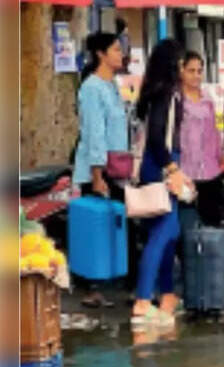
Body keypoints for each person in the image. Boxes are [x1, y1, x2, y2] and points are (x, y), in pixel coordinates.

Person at [132, 39, 191, 326]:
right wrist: (172, 168)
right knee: (161, 233)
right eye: (181, 63)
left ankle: (167, 295)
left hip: (161, 163)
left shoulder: (156, 93)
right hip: (160, 165)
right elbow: (157, 138)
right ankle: (143, 300)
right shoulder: (166, 95)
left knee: (170, 232)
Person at [72, 32, 130, 308]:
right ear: (100, 54)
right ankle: (92, 286)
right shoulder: (92, 88)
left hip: (118, 166)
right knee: (95, 225)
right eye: (116, 50)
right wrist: (97, 175)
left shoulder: (113, 86)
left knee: (117, 223)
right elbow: (94, 132)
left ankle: (110, 279)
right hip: (99, 167)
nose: (121, 54)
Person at [177, 51, 224, 230]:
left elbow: (214, 131)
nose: (196, 75)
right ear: (181, 71)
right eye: (191, 71)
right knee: (186, 224)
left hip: (209, 170)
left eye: (199, 71)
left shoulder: (207, 98)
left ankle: (210, 257)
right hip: (185, 170)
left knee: (212, 223)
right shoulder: (176, 100)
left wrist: (221, 155)